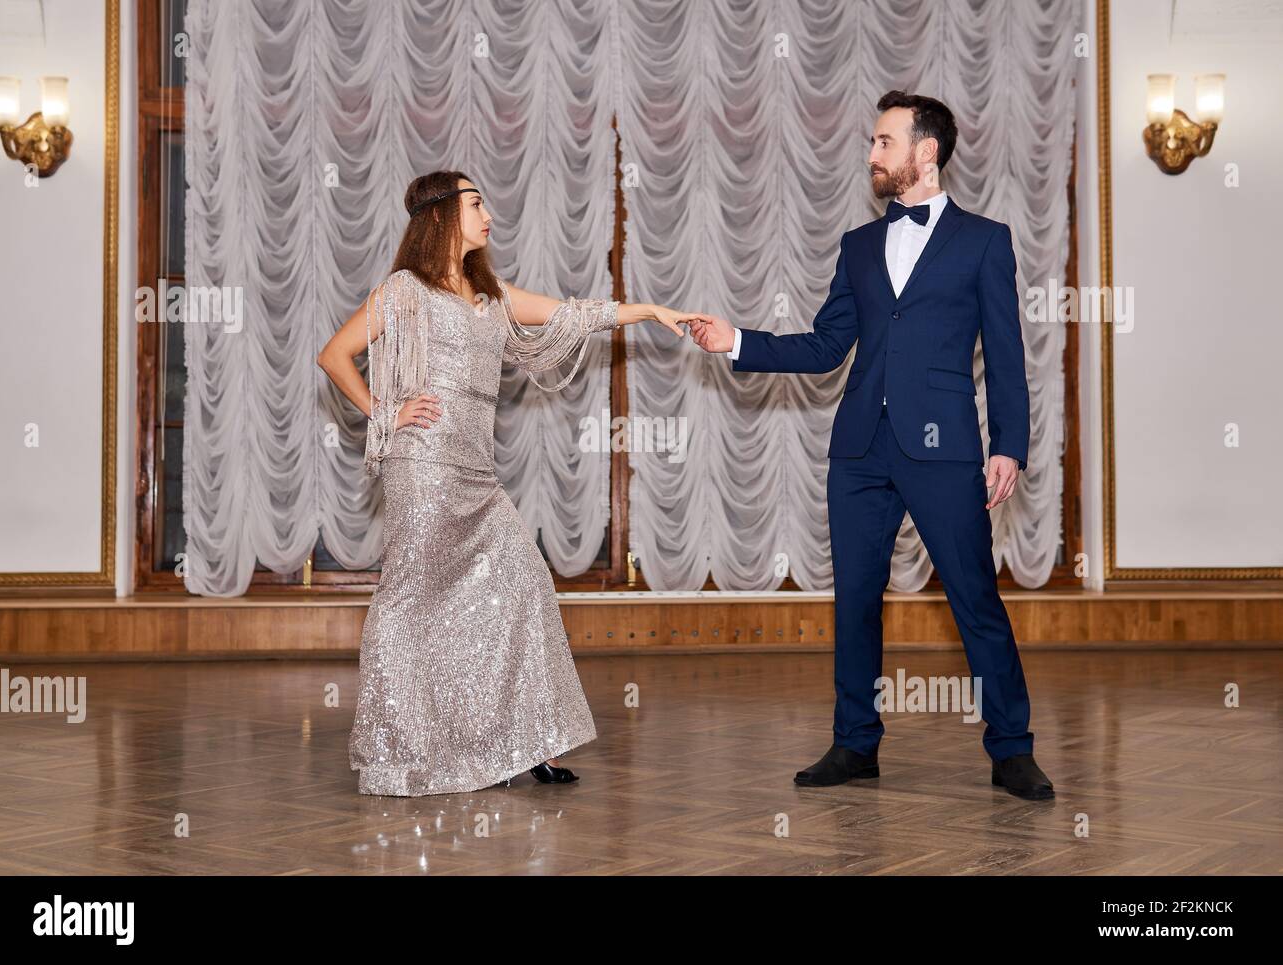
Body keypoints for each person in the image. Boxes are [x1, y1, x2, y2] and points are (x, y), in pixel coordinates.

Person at [689, 91, 1054, 801]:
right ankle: (855, 743)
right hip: (859, 451)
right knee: (854, 599)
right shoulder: (859, 246)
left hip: (945, 449)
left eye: (883, 142)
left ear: (926, 151)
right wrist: (734, 339)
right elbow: (829, 345)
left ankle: (1012, 748)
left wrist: (1010, 442)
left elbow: (1007, 355)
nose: (871, 154)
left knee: (975, 598)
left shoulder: (986, 240)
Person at [318, 170, 699, 796]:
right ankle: (400, 750)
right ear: (441, 214)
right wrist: (384, 411)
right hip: (424, 470)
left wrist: (650, 310)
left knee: (523, 582)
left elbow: (575, 313)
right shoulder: (403, 291)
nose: (487, 213)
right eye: (475, 203)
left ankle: (526, 739)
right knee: (411, 600)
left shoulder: (489, 295)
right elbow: (334, 354)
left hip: (477, 473)